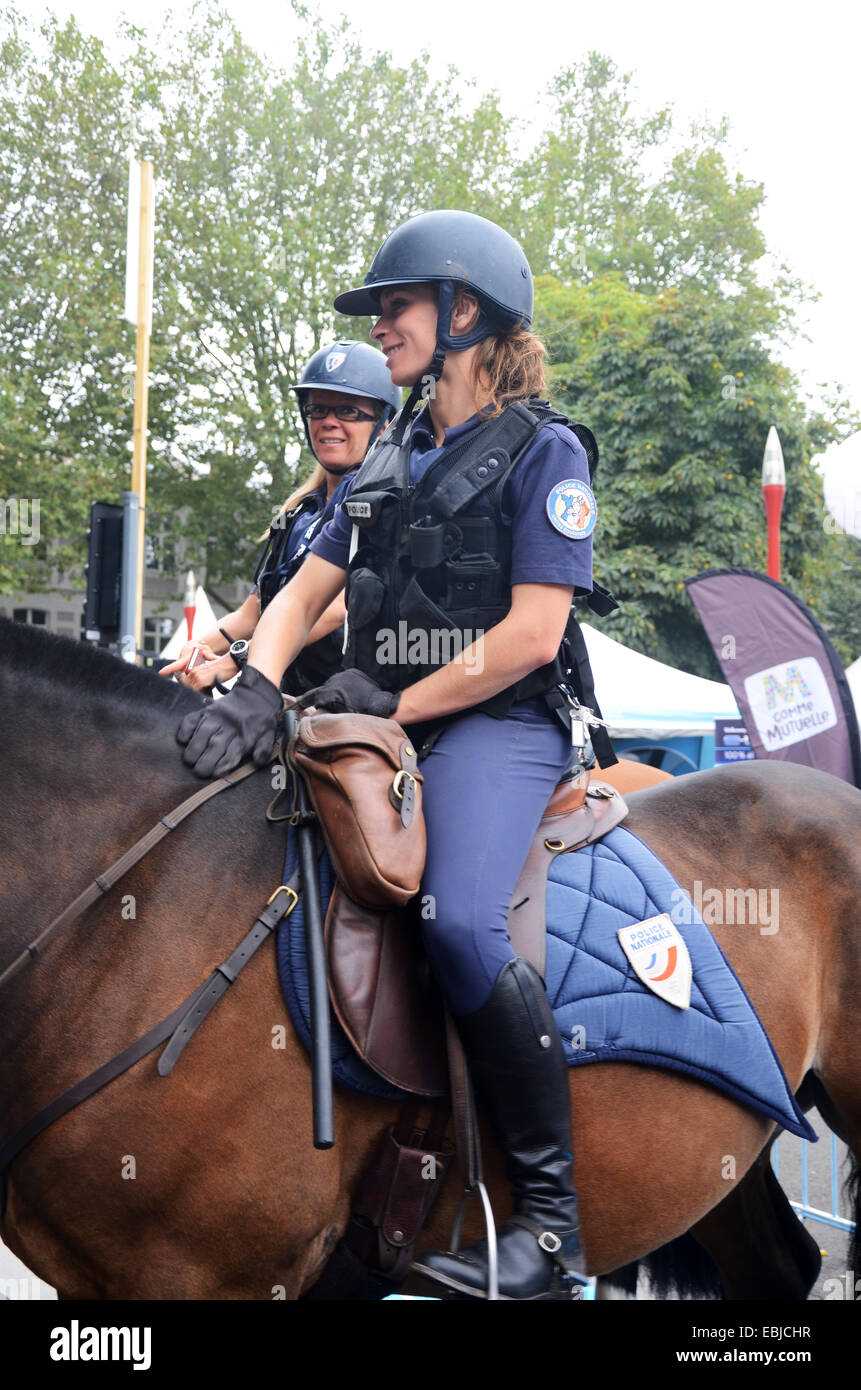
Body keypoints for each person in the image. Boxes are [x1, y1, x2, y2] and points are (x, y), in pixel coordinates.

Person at [175, 209, 616, 1300]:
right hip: (376, 720)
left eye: (398, 306)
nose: (384, 326)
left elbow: (529, 634)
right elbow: (299, 596)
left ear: (465, 313)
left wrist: (403, 699)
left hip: (498, 726)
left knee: (459, 923)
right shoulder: (387, 454)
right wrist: (256, 684)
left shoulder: (547, 452)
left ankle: (551, 1233)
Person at [159, 340, 400, 693]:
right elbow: (252, 613)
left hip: (351, 705)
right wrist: (202, 645)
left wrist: (236, 660)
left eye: (348, 411)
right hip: (283, 695)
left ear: (383, 424)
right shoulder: (299, 512)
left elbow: (331, 608)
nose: (328, 422)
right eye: (318, 410)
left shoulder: (384, 505)